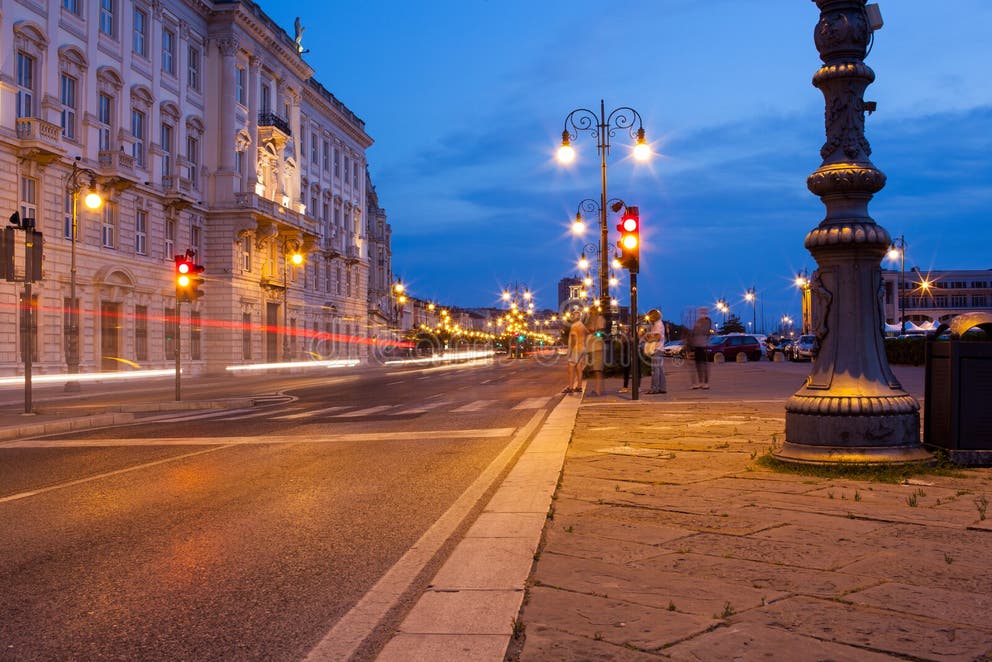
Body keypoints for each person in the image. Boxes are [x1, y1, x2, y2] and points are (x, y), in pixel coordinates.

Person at [564, 314, 589, 393]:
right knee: (579, 367)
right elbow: (588, 332)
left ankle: (570, 387)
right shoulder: (582, 326)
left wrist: (570, 351)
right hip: (583, 348)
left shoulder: (574, 326)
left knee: (571, 367)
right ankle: (579, 387)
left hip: (576, 348)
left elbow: (573, 339)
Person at [644, 309, 667, 394]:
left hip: (656, 349)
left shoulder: (658, 325)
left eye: (650, 316)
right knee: (659, 369)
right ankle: (662, 388)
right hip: (659, 349)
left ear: (653, 316)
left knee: (655, 370)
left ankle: (654, 388)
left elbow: (658, 337)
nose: (649, 318)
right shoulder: (658, 324)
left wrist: (649, 339)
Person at [690, 306, 713, 389]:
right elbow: (694, 332)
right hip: (697, 345)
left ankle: (705, 383)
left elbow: (705, 331)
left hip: (704, 345)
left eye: (703, 312)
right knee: (698, 365)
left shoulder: (708, 321)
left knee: (704, 364)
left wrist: (698, 327)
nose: (701, 313)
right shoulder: (698, 321)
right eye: (701, 312)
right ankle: (700, 382)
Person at [585, 311, 605, 396]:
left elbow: (601, 333)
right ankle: (596, 389)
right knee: (594, 370)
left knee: (597, 370)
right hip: (592, 349)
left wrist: (593, 332)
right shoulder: (590, 320)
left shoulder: (599, 319)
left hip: (597, 348)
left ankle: (598, 390)